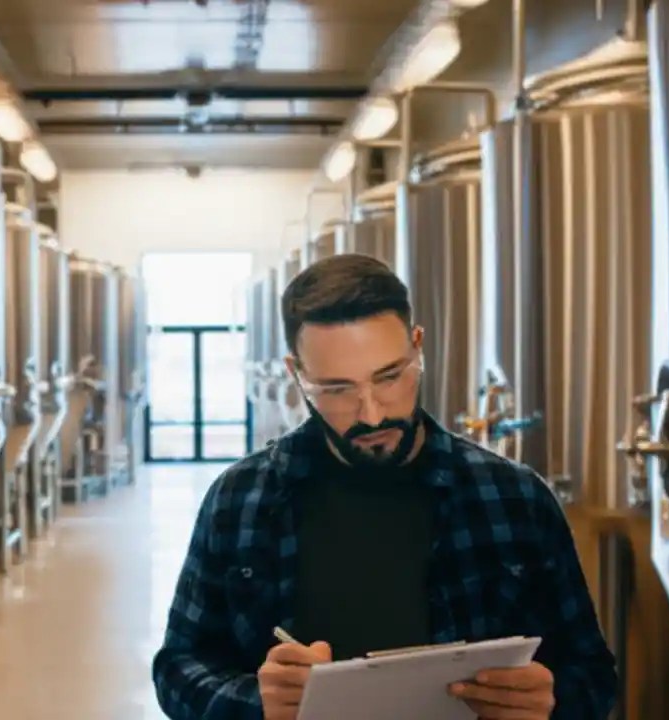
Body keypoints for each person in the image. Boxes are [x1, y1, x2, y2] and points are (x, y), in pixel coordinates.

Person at [151, 254, 616, 719]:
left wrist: (551, 702)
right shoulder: (240, 500)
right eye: (336, 389)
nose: (372, 413)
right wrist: (258, 703)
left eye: (390, 376)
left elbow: (592, 674)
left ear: (418, 346)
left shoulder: (514, 498)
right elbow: (177, 669)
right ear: (297, 374)